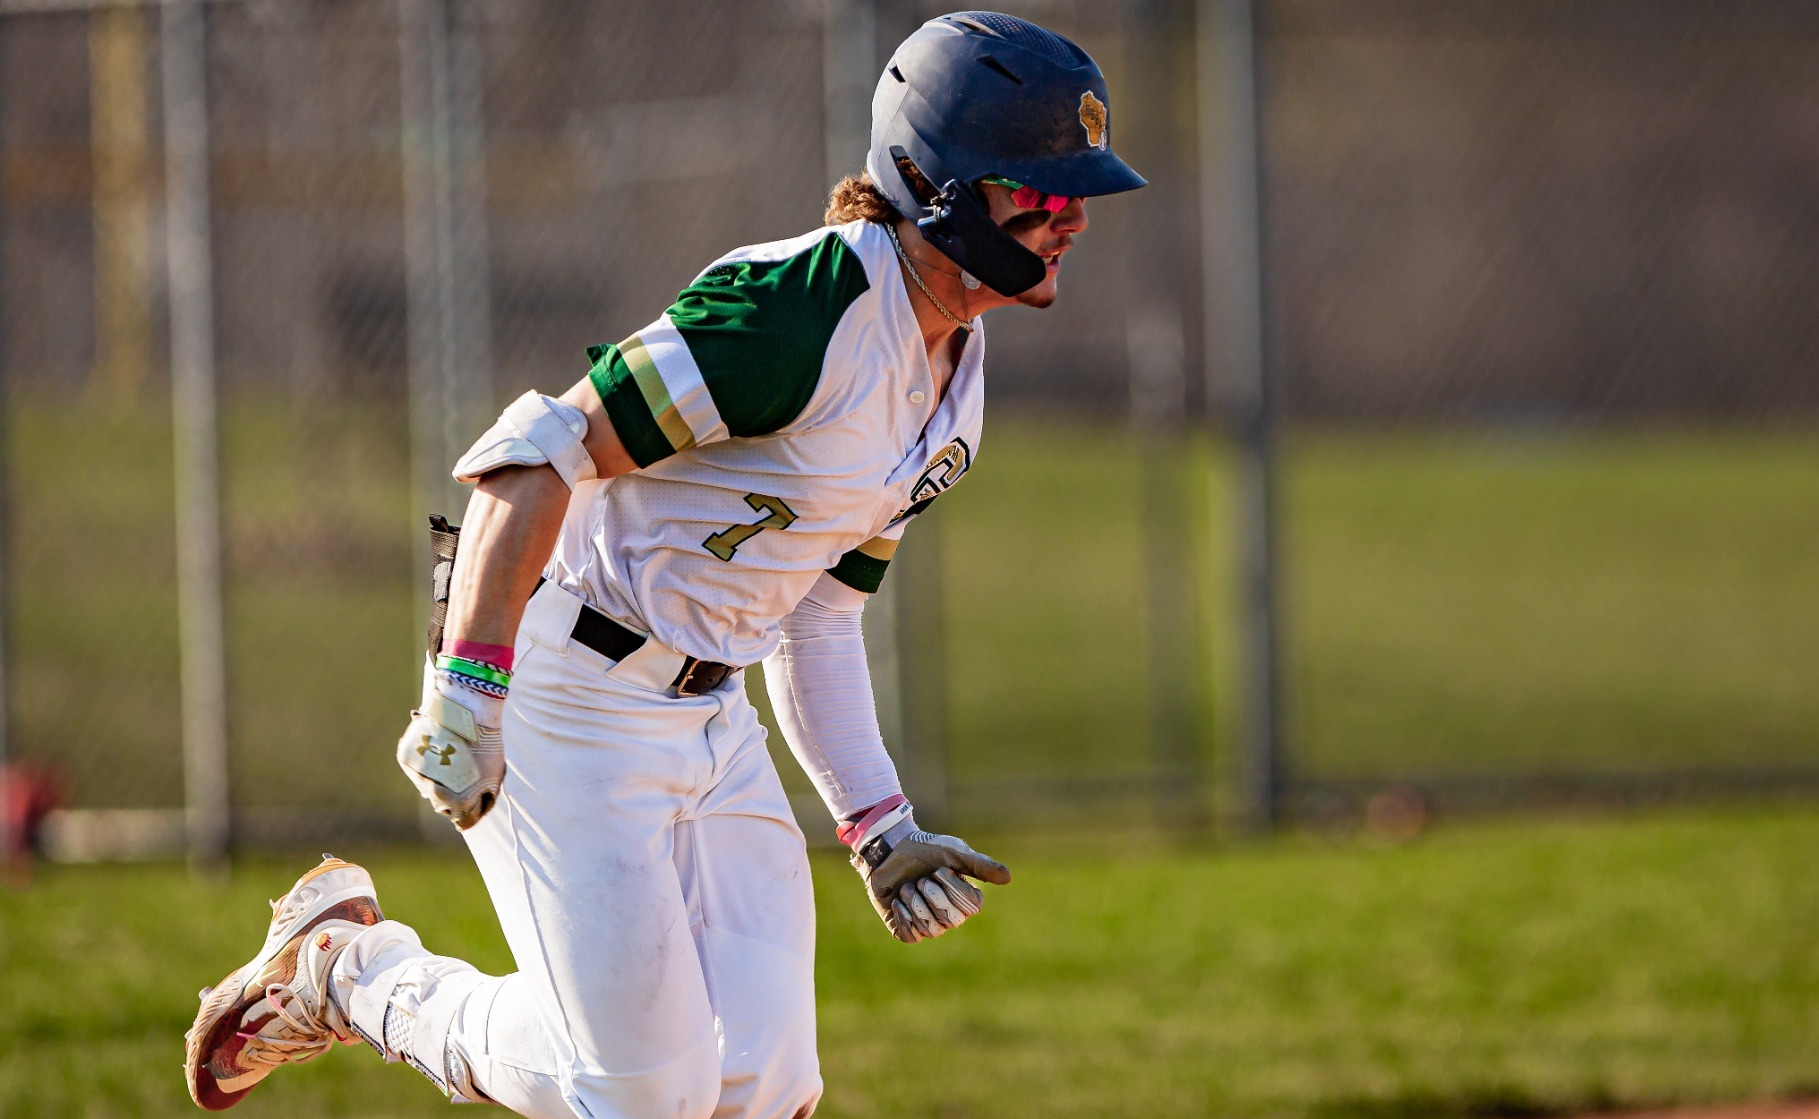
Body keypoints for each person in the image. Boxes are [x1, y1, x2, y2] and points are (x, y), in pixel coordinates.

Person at [184, 11, 1144, 1119]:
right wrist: (467, 693)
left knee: (768, 1083)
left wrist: (877, 823)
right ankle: (349, 979)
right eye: (1038, 191)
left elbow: (819, 619)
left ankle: (346, 973)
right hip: (566, 688)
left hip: (708, 711)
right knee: (641, 1101)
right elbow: (531, 457)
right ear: (933, 182)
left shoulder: (955, 381)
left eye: (1075, 196)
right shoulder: (805, 309)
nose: (1069, 220)